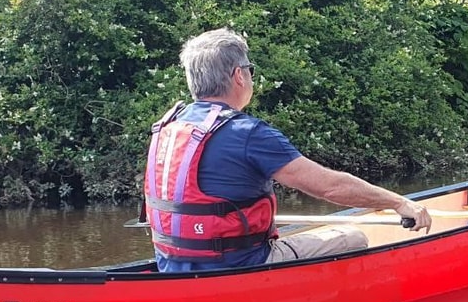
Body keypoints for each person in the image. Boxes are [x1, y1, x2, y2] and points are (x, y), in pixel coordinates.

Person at [145, 28, 432, 272]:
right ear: (238, 76)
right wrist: (398, 202)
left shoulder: (171, 125)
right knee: (353, 236)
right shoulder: (248, 133)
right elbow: (329, 188)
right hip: (241, 265)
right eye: (250, 70)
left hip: (172, 263)